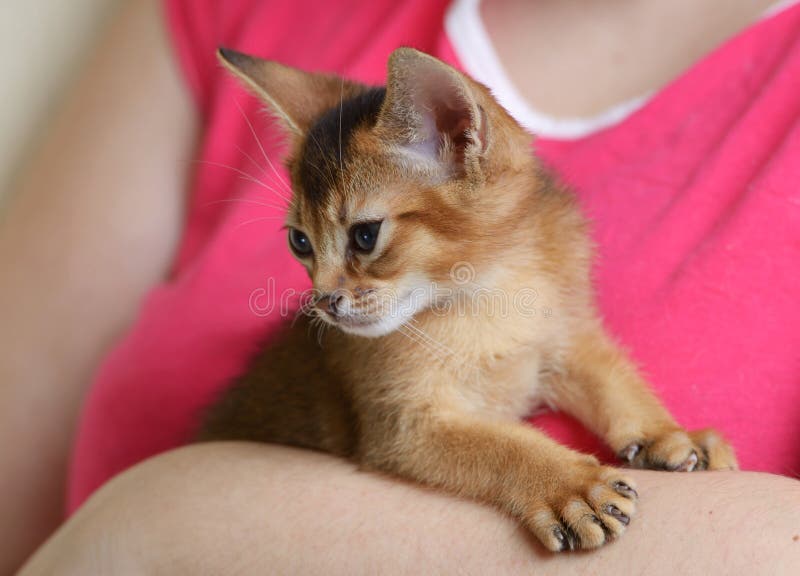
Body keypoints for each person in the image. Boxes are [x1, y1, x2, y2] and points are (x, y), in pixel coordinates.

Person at [3, 0, 799, 573]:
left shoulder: (542, 242)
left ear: (463, 138)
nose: (325, 289)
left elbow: (572, 353)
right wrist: (551, 479)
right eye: (305, 246)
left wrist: (145, 530)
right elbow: (412, 433)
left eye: (361, 240)